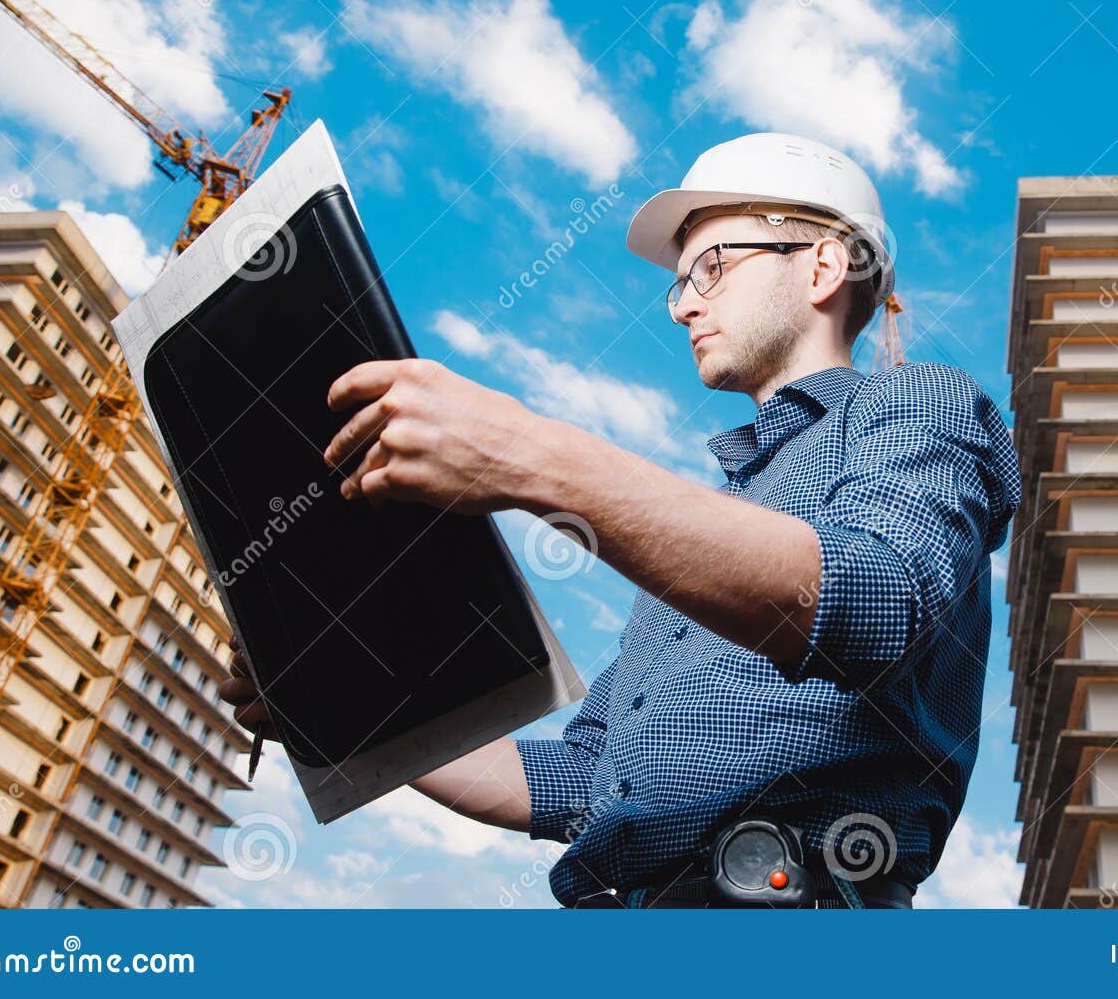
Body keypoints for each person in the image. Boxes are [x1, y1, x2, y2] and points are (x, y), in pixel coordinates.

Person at [220, 132, 1021, 908]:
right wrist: (347, 718)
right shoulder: (703, 533)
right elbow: (585, 779)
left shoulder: (919, 403)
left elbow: (873, 600)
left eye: (711, 266)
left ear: (823, 265)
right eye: (680, 283)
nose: (684, 307)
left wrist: (531, 457)